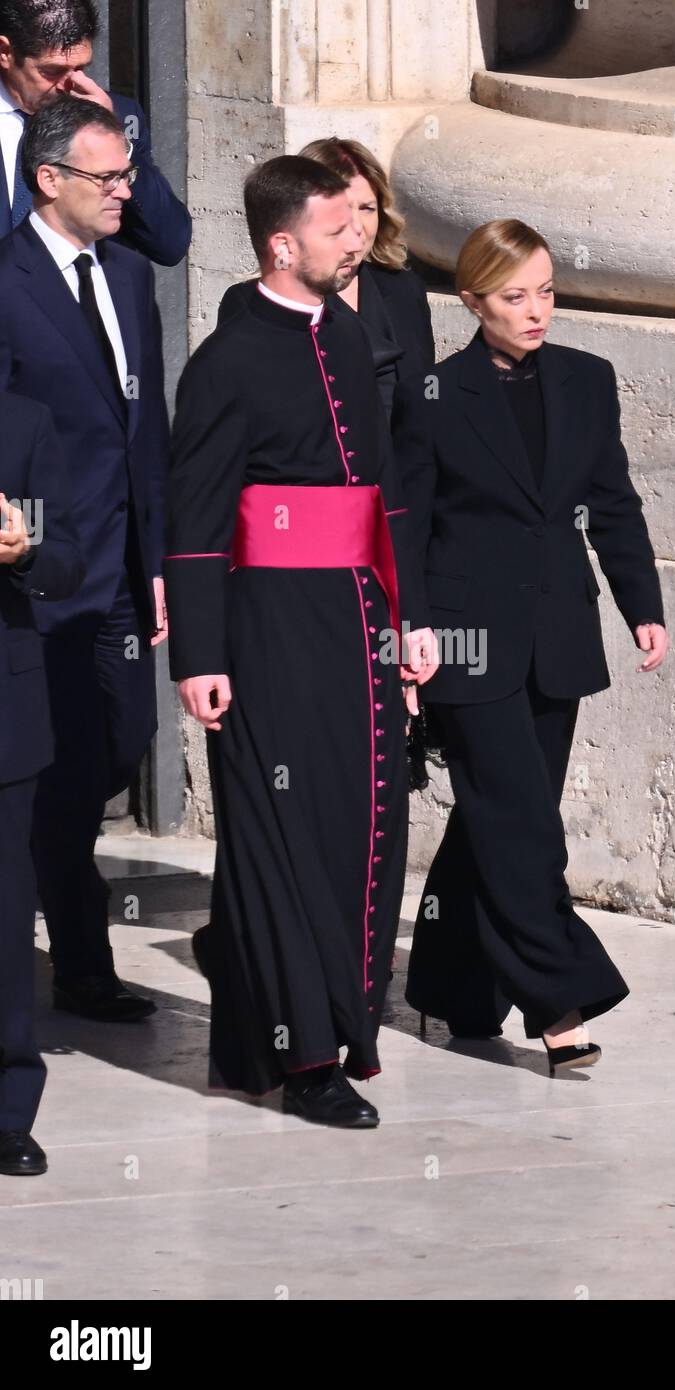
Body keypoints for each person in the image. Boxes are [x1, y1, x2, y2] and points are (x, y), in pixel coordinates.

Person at [164, 155, 438, 1129]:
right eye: (335, 228)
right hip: (268, 624)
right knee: (279, 833)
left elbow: (388, 496)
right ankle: (306, 1055)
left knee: (358, 823)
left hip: (358, 617)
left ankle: (301, 1026)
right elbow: (193, 518)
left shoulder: (356, 335)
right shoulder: (227, 361)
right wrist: (197, 656)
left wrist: (410, 622)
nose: (355, 238)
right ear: (283, 244)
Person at [392, 219, 669, 1074]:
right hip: (465, 644)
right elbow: (408, 526)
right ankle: (559, 1000)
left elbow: (612, 503)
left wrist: (642, 606)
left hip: (558, 632)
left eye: (546, 290)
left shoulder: (589, 382)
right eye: (515, 296)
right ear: (473, 301)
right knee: (519, 821)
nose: (537, 309)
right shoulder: (434, 396)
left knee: (495, 821)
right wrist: (412, 631)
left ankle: (454, 986)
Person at [0, 96, 170, 1022]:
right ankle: (81, 959)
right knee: (60, 767)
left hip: (120, 572)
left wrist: (162, 554)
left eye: (126, 174)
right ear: (48, 179)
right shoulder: (5, 278)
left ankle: (42, 892)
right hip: (39, 571)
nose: (123, 191)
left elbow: (147, 431)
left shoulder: (131, 277)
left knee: (119, 742)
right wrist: (21, 533)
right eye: (106, 177)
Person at [0, 391, 84, 1176]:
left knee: (2, 920)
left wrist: (25, 549)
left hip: (4, 704)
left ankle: (7, 1109)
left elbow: (68, 561)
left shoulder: (23, 422)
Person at [218, 137, 435, 417]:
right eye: (339, 212)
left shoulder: (404, 287)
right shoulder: (253, 302)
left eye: (367, 208)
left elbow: (426, 400)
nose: (356, 227)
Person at [0, 0, 191, 264]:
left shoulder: (118, 114)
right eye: (52, 71)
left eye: (80, 68)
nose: (71, 83)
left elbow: (170, 242)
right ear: (5, 53)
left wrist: (112, 134)